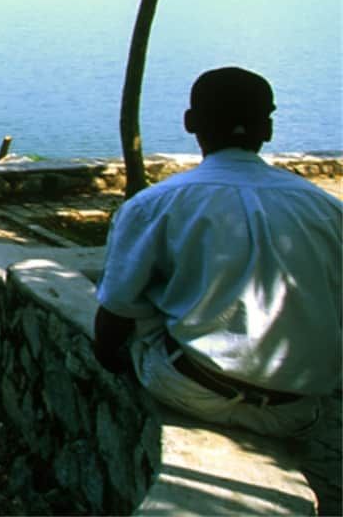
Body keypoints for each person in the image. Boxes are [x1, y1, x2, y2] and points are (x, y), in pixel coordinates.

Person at [94, 66, 342, 514]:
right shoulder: (327, 211)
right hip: (296, 408)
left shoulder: (156, 204)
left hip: (192, 391)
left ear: (191, 122)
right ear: (267, 127)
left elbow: (112, 319)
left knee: (142, 294)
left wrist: (112, 360)